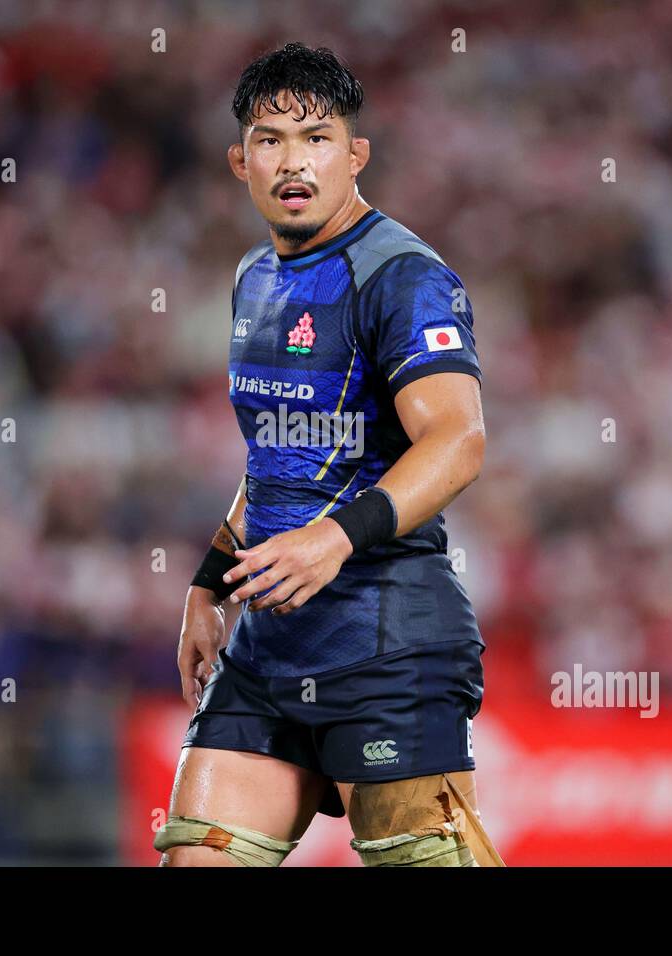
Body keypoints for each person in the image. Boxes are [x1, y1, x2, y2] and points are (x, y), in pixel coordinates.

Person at [155, 42, 502, 867]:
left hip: (386, 644)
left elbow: (458, 440)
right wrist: (209, 584)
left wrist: (335, 538)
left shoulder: (403, 275)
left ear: (356, 155)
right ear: (241, 163)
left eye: (316, 138)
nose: (292, 160)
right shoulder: (253, 276)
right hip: (268, 648)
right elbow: (276, 452)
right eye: (270, 140)